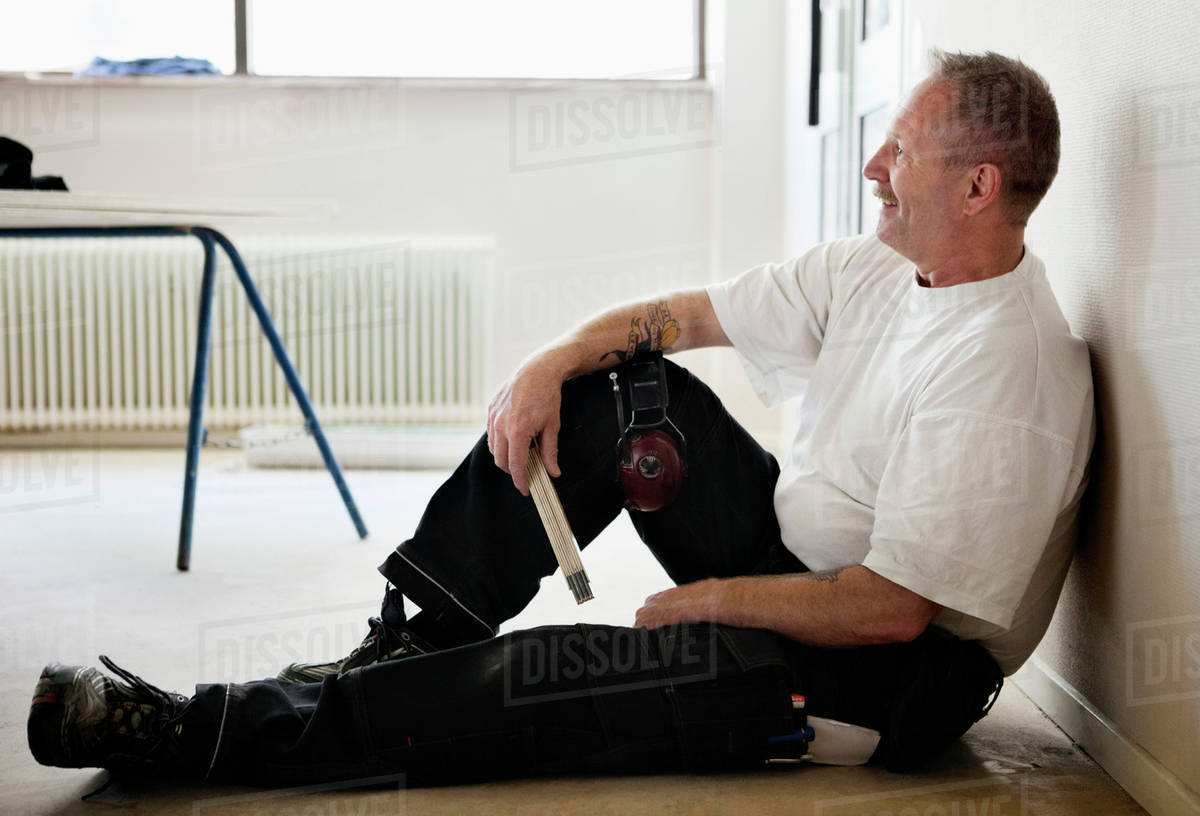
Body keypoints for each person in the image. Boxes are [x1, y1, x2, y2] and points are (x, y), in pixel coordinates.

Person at [27, 50, 1094, 788]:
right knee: (630, 393)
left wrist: (709, 601)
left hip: (877, 675)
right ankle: (403, 643)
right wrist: (550, 364)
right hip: (804, 565)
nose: (873, 168)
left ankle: (194, 734)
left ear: (978, 185)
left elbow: (893, 611)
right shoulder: (877, 270)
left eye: (899, 152)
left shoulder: (1006, 368)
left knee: (555, 679)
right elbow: (679, 318)